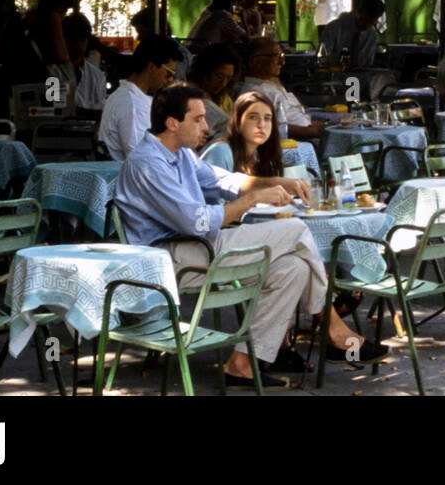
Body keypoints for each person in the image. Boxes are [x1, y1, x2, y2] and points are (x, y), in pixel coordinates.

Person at [114, 85, 384, 386]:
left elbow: (225, 180)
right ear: (172, 123)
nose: (206, 127)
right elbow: (196, 222)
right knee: (295, 229)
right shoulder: (148, 163)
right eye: (198, 119)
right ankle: (332, 328)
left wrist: (279, 182)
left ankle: (241, 363)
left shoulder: (180, 155)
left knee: (292, 269)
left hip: (197, 247)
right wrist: (254, 200)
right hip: (169, 258)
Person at [98, 35, 183, 161]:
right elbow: (141, 159)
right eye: (168, 74)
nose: (170, 81)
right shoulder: (130, 103)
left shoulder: (136, 98)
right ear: (152, 67)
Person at [241, 37, 325, 140]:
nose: (282, 62)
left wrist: (323, 125)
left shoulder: (272, 84)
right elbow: (268, 127)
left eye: (282, 56)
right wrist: (310, 131)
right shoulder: (254, 93)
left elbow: (294, 115)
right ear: (256, 61)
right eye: (276, 56)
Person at [202, 91, 289, 178]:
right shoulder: (221, 151)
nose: (261, 125)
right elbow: (210, 190)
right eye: (253, 117)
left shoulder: (259, 156)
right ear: (238, 121)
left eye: (267, 118)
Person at [188, 43, 240, 145]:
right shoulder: (187, 94)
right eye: (219, 76)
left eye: (228, 79)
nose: (223, 83)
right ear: (205, 71)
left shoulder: (225, 100)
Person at [320, 0, 385, 68]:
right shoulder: (334, 29)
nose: (367, 25)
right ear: (358, 12)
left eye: (372, 22)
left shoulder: (372, 35)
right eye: (366, 20)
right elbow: (322, 58)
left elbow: (368, 63)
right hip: (334, 76)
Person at [64, 12, 106, 115]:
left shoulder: (98, 75)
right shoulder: (54, 72)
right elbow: (57, 110)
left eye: (82, 40)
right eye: (72, 41)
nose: (78, 46)